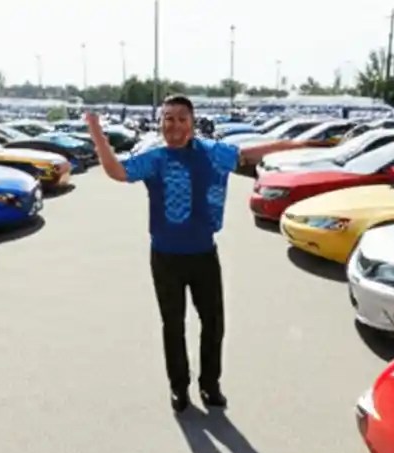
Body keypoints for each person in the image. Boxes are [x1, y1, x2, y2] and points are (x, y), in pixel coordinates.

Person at [84, 96, 309, 413]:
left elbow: (247, 154)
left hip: (203, 254)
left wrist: (295, 145)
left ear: (192, 123)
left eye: (181, 118)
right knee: (173, 325)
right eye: (168, 118)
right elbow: (118, 171)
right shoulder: (155, 158)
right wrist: (97, 133)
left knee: (213, 323)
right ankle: (179, 387)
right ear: (161, 123)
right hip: (165, 257)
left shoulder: (212, 153)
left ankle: (209, 384)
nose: (174, 125)